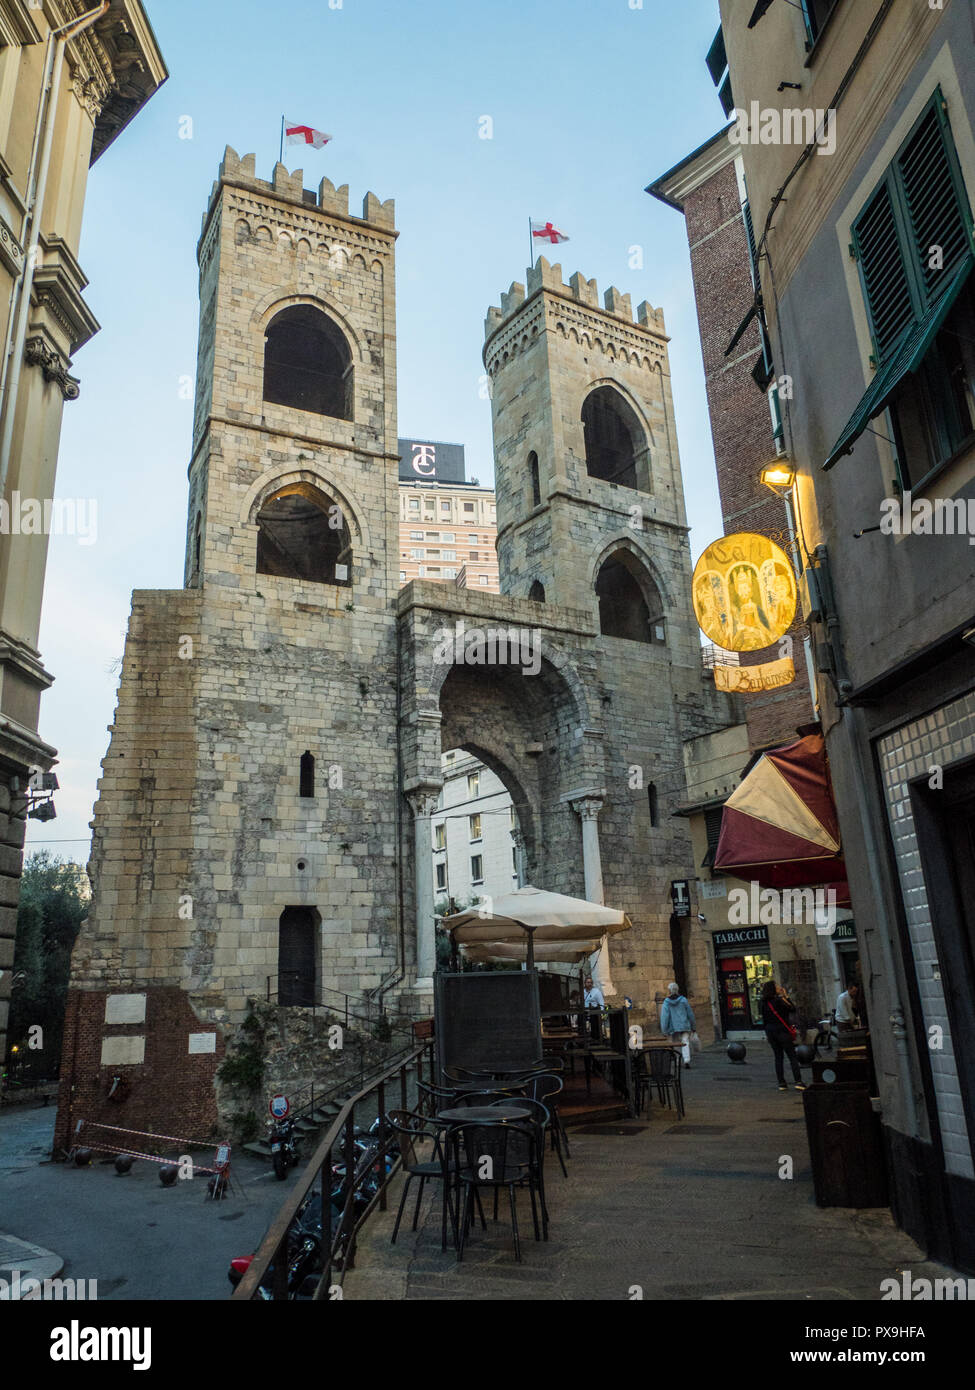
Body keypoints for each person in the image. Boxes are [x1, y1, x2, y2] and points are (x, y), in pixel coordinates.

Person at [761, 979, 806, 1091]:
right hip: (782, 1031)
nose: (779, 988)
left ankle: (781, 1083)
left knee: (778, 1057)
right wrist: (786, 996)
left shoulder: (762, 1002)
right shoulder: (779, 1001)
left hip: (770, 1031)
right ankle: (798, 1081)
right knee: (792, 1056)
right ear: (773, 989)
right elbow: (792, 1008)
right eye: (776, 987)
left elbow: (764, 1019)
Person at [660, 982, 696, 1068]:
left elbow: (664, 1017)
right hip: (684, 1025)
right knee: (685, 1042)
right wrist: (693, 1026)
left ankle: (677, 1061)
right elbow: (690, 1014)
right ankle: (686, 1060)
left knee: (676, 1044)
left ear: (669, 991)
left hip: (674, 1027)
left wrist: (664, 1030)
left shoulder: (666, 1002)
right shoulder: (683, 1000)